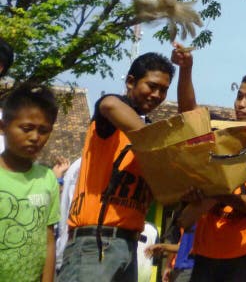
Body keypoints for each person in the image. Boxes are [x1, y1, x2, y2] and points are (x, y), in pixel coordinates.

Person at [59, 47, 196, 282]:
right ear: (131, 82)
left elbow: (190, 120)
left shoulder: (151, 135)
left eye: (163, 90)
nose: (156, 95)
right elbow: (110, 105)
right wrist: (162, 147)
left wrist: (186, 70)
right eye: (151, 86)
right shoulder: (112, 113)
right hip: (96, 242)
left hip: (129, 243)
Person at [180, 74, 246, 282]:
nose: (240, 104)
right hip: (204, 254)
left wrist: (220, 193)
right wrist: (186, 69)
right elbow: (188, 114)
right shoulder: (218, 133)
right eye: (239, 96)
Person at [0, 84, 61, 282]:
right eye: (27, 129)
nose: (35, 137)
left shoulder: (47, 178)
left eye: (43, 130)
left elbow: (49, 239)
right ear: (3, 127)